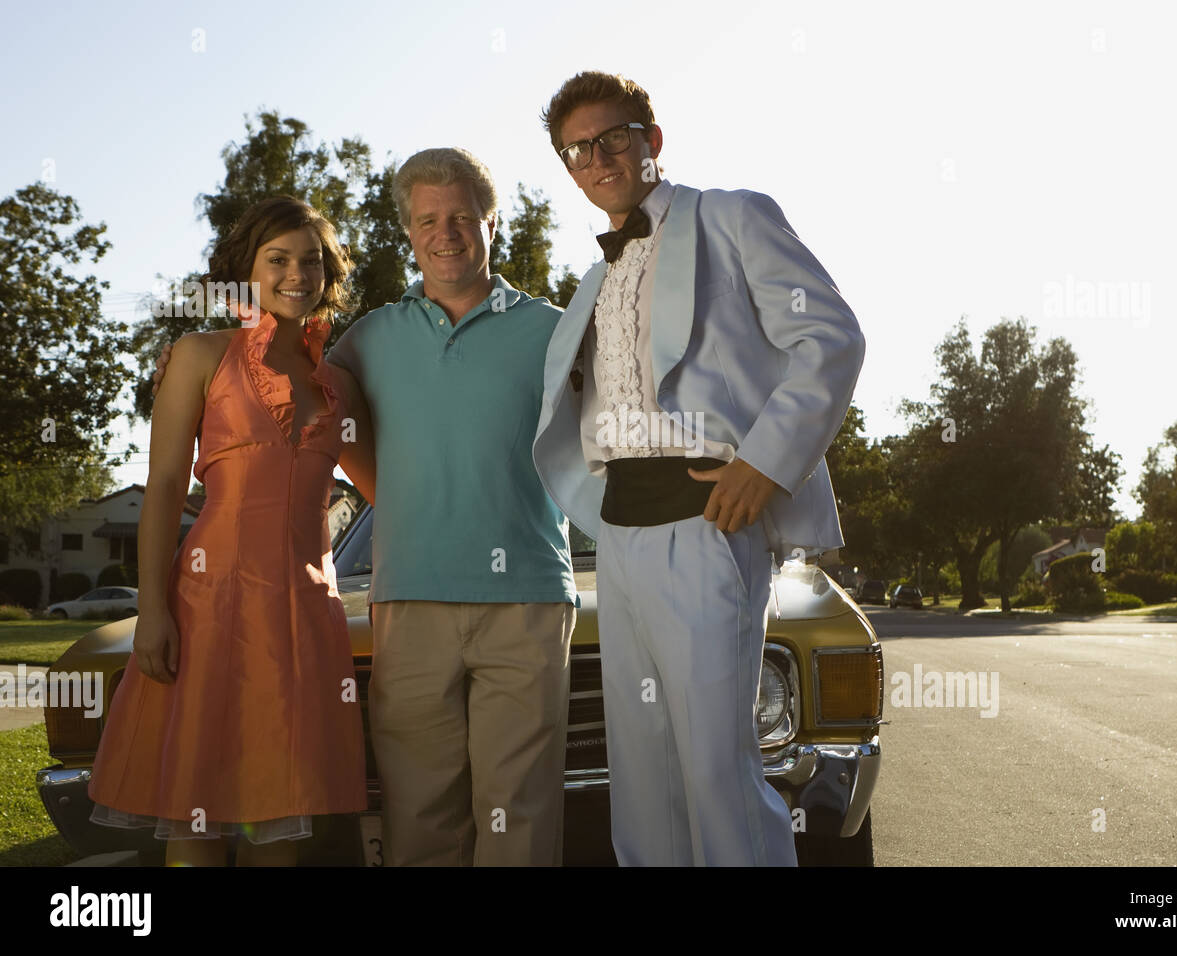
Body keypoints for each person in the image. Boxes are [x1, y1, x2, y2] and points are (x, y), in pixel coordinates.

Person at [151, 149, 578, 867]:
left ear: (491, 222)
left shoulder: (558, 331)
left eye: (463, 218)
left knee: (519, 816)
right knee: (418, 815)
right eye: (427, 220)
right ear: (407, 231)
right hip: (405, 602)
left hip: (527, 597)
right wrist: (192, 362)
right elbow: (283, 399)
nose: (446, 234)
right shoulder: (365, 341)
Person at [532, 72, 866, 866]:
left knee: (716, 768)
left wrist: (766, 462)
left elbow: (832, 337)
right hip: (619, 531)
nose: (599, 157)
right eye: (579, 149)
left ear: (652, 138)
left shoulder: (732, 216)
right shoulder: (594, 278)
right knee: (644, 777)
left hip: (709, 517)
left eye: (614, 136)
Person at [89, 196, 376, 866]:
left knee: (276, 808)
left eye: (311, 260)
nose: (296, 273)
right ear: (243, 272)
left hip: (306, 616)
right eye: (277, 259)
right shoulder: (198, 354)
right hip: (208, 607)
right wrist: (152, 609)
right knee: (198, 808)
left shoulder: (339, 386)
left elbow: (382, 489)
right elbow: (163, 488)